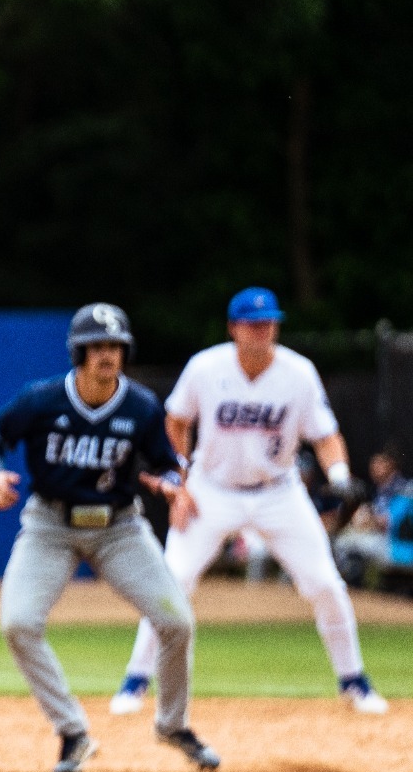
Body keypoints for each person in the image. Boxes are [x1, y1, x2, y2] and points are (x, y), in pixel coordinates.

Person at [109, 288, 390, 716]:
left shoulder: (298, 372)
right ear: (233, 328)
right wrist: (179, 484)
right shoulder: (206, 368)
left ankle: (354, 682)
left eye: (270, 322)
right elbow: (177, 421)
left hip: (278, 491)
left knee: (325, 584)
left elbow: (326, 434)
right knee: (171, 581)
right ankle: (135, 681)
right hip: (211, 489)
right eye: (254, 323)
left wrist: (337, 475)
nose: (264, 330)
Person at [0, 304, 218, 772]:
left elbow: (164, 460)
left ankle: (172, 724)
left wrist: (170, 483)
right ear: (79, 352)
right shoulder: (42, 399)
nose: (107, 355)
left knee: (177, 622)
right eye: (97, 346)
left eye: (114, 346)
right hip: (51, 525)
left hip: (119, 528)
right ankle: (73, 733)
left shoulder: (140, 407)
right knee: (18, 623)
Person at [334, 450, 407, 586]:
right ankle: (349, 583)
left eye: (379, 464)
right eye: (373, 463)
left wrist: (367, 518)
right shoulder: (377, 488)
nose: (374, 467)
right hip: (375, 537)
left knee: (344, 542)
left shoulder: (402, 489)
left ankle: (347, 585)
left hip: (392, 542)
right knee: (343, 539)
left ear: (391, 465)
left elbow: (387, 523)